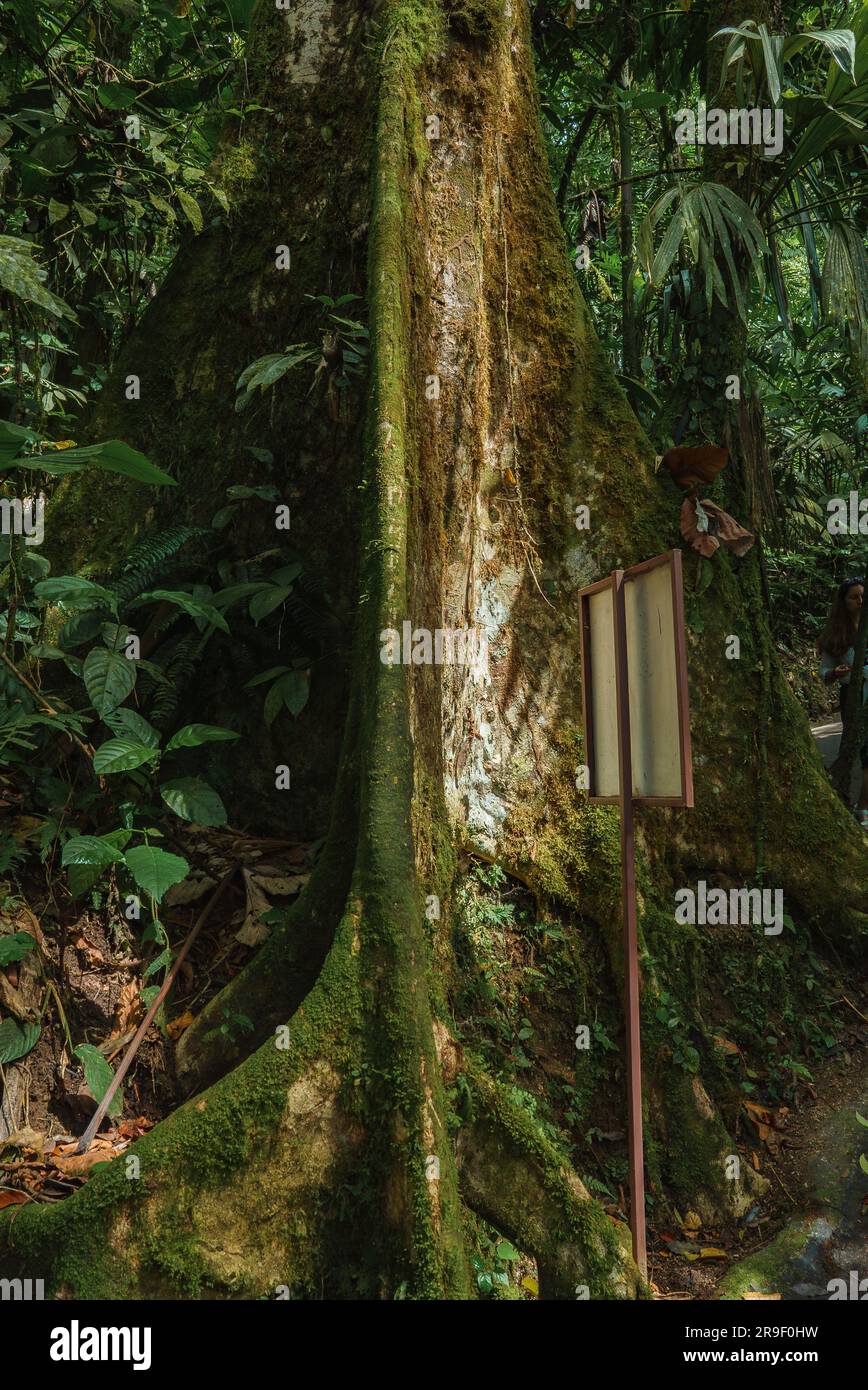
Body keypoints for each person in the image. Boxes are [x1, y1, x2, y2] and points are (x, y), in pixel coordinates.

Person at [818, 577, 868, 827]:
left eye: (862, 596)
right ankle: (844, 798)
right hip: (853, 695)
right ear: (843, 602)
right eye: (854, 597)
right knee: (854, 746)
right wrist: (836, 672)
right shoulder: (837, 634)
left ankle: (864, 807)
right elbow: (824, 671)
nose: (860, 601)